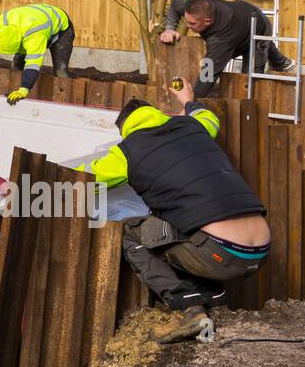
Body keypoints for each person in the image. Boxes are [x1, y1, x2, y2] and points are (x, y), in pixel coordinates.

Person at [78, 79, 270, 343]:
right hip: (261, 250)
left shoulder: (127, 151)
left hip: (220, 254)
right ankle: (214, 296)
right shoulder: (194, 125)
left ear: (125, 130)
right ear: (156, 115)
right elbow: (208, 117)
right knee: (181, 221)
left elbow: (84, 180)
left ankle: (187, 306)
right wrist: (187, 100)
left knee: (133, 233)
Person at [160, 0, 295, 98]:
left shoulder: (221, 38)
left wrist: (189, 103)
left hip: (258, 27)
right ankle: (281, 61)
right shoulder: (193, 5)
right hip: (241, 14)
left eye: (192, 24)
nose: (187, 26)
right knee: (258, 47)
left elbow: (209, 74)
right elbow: (174, 4)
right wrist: (169, 28)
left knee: (249, 82)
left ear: (208, 21)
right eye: (186, 21)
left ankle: (278, 62)